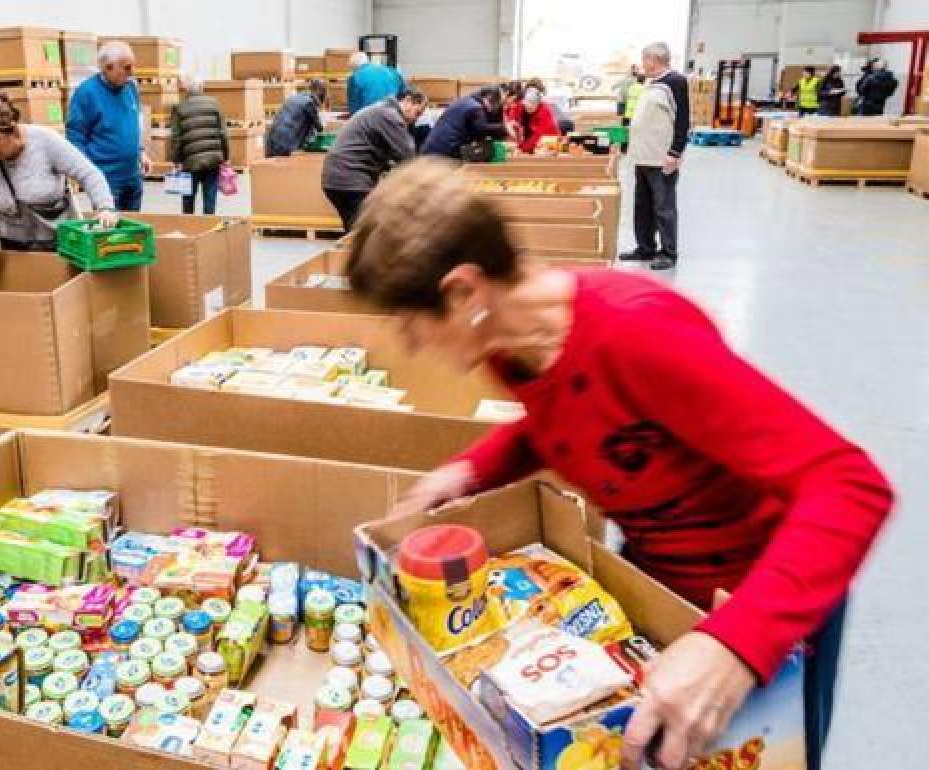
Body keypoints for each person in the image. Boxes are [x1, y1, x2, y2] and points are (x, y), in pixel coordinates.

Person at [344, 157, 893, 770]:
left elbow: (850, 484)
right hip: (661, 591)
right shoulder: (512, 351)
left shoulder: (638, 334)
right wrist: (471, 471)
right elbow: (566, 422)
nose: (416, 348)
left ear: (464, 290)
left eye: (414, 328)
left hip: (767, 602)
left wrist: (736, 645)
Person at [0, 92, 117, 251]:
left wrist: (105, 208)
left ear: (12, 130)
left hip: (62, 242)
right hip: (13, 247)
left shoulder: (45, 141)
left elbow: (89, 174)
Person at [619, 42, 690, 271]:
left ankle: (668, 253)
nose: (642, 63)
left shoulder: (675, 82)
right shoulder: (653, 83)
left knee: (664, 207)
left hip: (661, 158)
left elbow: (682, 120)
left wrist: (675, 152)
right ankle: (645, 247)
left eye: (644, 59)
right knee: (643, 206)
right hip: (643, 156)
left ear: (655, 59)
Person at [321, 88, 428, 231]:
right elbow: (407, 155)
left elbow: (383, 151)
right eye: (418, 113)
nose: (416, 119)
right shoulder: (390, 116)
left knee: (358, 230)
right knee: (367, 232)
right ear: (408, 100)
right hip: (351, 179)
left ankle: (349, 250)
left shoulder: (381, 110)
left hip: (339, 178)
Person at [67, 41, 152, 211]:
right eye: (126, 68)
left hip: (133, 176)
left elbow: (134, 121)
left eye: (133, 66)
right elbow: (76, 136)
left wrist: (141, 152)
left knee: (133, 231)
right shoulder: (86, 93)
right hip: (107, 180)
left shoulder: (130, 87)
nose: (132, 72)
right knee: (111, 233)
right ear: (108, 67)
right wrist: (86, 175)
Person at [167, 75, 228, 215]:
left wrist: (176, 160)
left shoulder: (179, 107)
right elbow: (224, 133)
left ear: (186, 89)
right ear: (202, 87)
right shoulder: (214, 103)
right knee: (210, 200)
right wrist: (225, 156)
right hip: (213, 160)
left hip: (190, 162)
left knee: (188, 200)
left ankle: (190, 228)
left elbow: (176, 138)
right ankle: (209, 229)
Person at [421, 86, 507, 158]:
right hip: (442, 151)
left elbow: (476, 132)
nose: (493, 110)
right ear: (488, 98)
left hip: (435, 148)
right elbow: (481, 128)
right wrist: (504, 127)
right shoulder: (475, 108)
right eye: (496, 104)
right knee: (485, 152)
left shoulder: (468, 101)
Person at [266, 79, 327, 157]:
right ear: (319, 91)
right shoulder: (309, 103)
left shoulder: (296, 96)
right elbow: (319, 128)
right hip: (284, 143)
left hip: (271, 139)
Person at [503, 86, 560, 154]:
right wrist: (511, 125)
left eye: (532, 105)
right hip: (529, 142)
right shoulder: (521, 106)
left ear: (538, 103)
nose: (529, 106)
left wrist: (521, 148)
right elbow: (511, 120)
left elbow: (537, 136)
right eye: (527, 104)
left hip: (548, 143)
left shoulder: (544, 112)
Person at [620, 72, 645, 152]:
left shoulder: (631, 87)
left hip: (627, 113)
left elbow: (623, 98)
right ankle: (635, 149)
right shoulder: (644, 89)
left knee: (625, 132)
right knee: (637, 133)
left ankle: (623, 149)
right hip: (636, 114)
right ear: (644, 80)